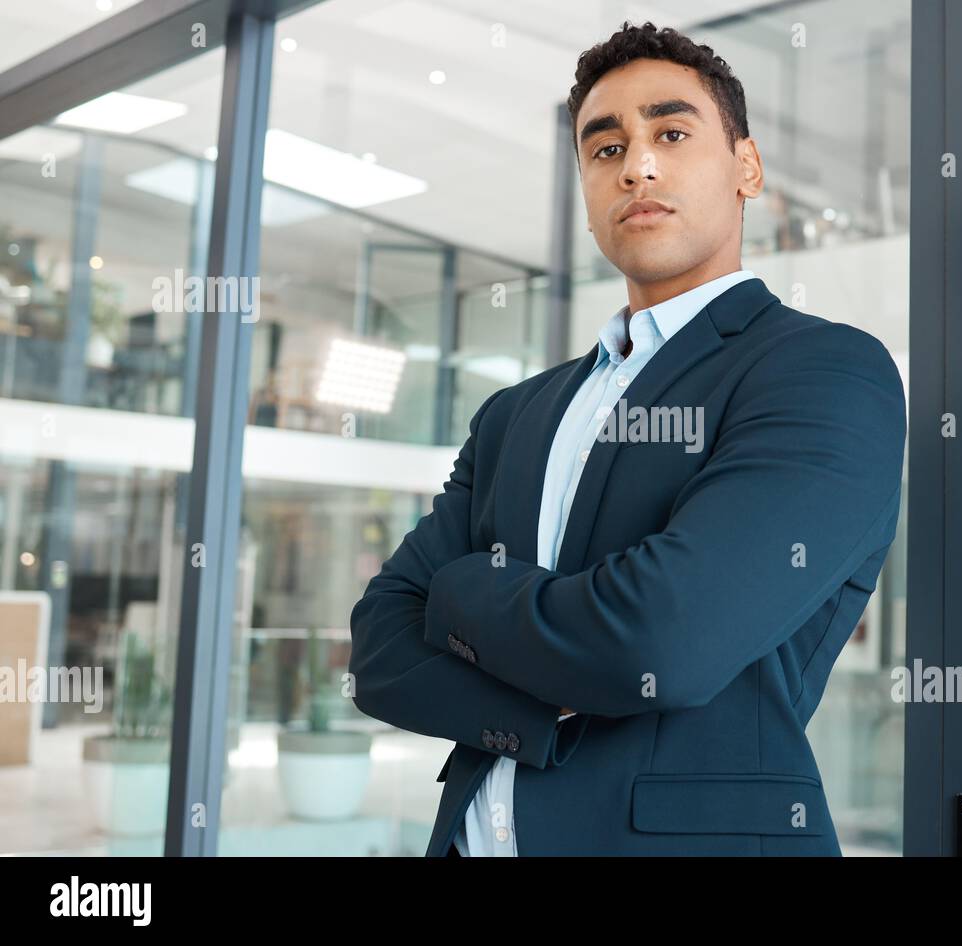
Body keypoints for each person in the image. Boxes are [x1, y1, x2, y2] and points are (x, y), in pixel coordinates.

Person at [349, 20, 906, 857]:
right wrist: (544, 706)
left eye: (672, 134)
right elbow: (381, 651)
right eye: (605, 150)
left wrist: (459, 594)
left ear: (746, 167)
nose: (637, 165)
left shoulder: (825, 372)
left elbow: (662, 639)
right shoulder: (515, 413)